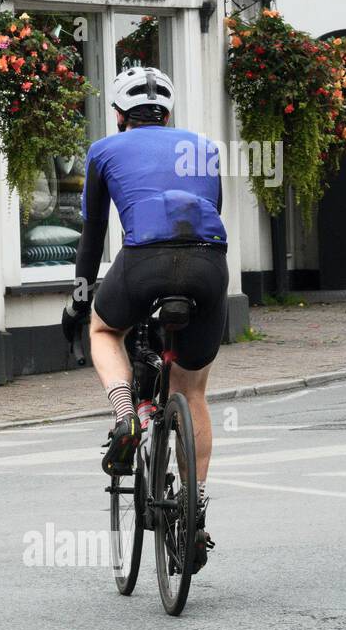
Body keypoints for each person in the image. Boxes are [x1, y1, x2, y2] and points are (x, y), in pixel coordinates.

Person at [61, 66, 226, 570]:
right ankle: (194, 510)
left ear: (119, 115)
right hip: (206, 264)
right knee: (192, 391)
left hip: (143, 263)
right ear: (167, 113)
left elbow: (92, 236)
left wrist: (79, 299)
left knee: (105, 330)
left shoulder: (104, 151)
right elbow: (211, 213)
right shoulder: (205, 147)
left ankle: (125, 415)